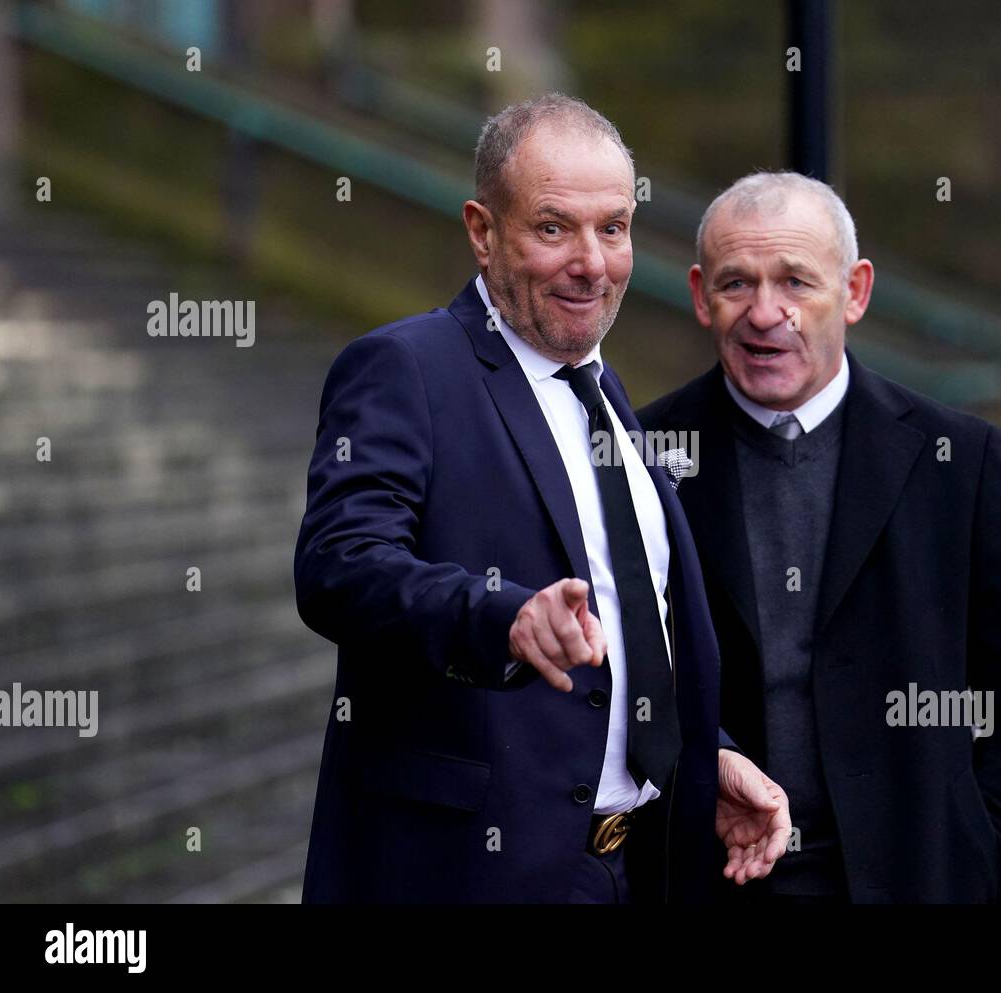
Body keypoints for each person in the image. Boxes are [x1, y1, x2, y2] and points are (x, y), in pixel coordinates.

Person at [294, 96, 789, 904]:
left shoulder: (607, 393)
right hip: (467, 876)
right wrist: (505, 617)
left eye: (615, 228)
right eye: (554, 228)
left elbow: (635, 627)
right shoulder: (405, 367)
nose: (592, 262)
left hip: (631, 867)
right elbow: (338, 568)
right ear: (483, 232)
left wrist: (703, 754)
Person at [638, 171, 1001, 903]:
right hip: (708, 881)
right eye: (736, 284)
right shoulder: (643, 453)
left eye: (795, 282)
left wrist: (982, 857)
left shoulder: (960, 459)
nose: (765, 313)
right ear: (698, 295)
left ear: (854, 290)